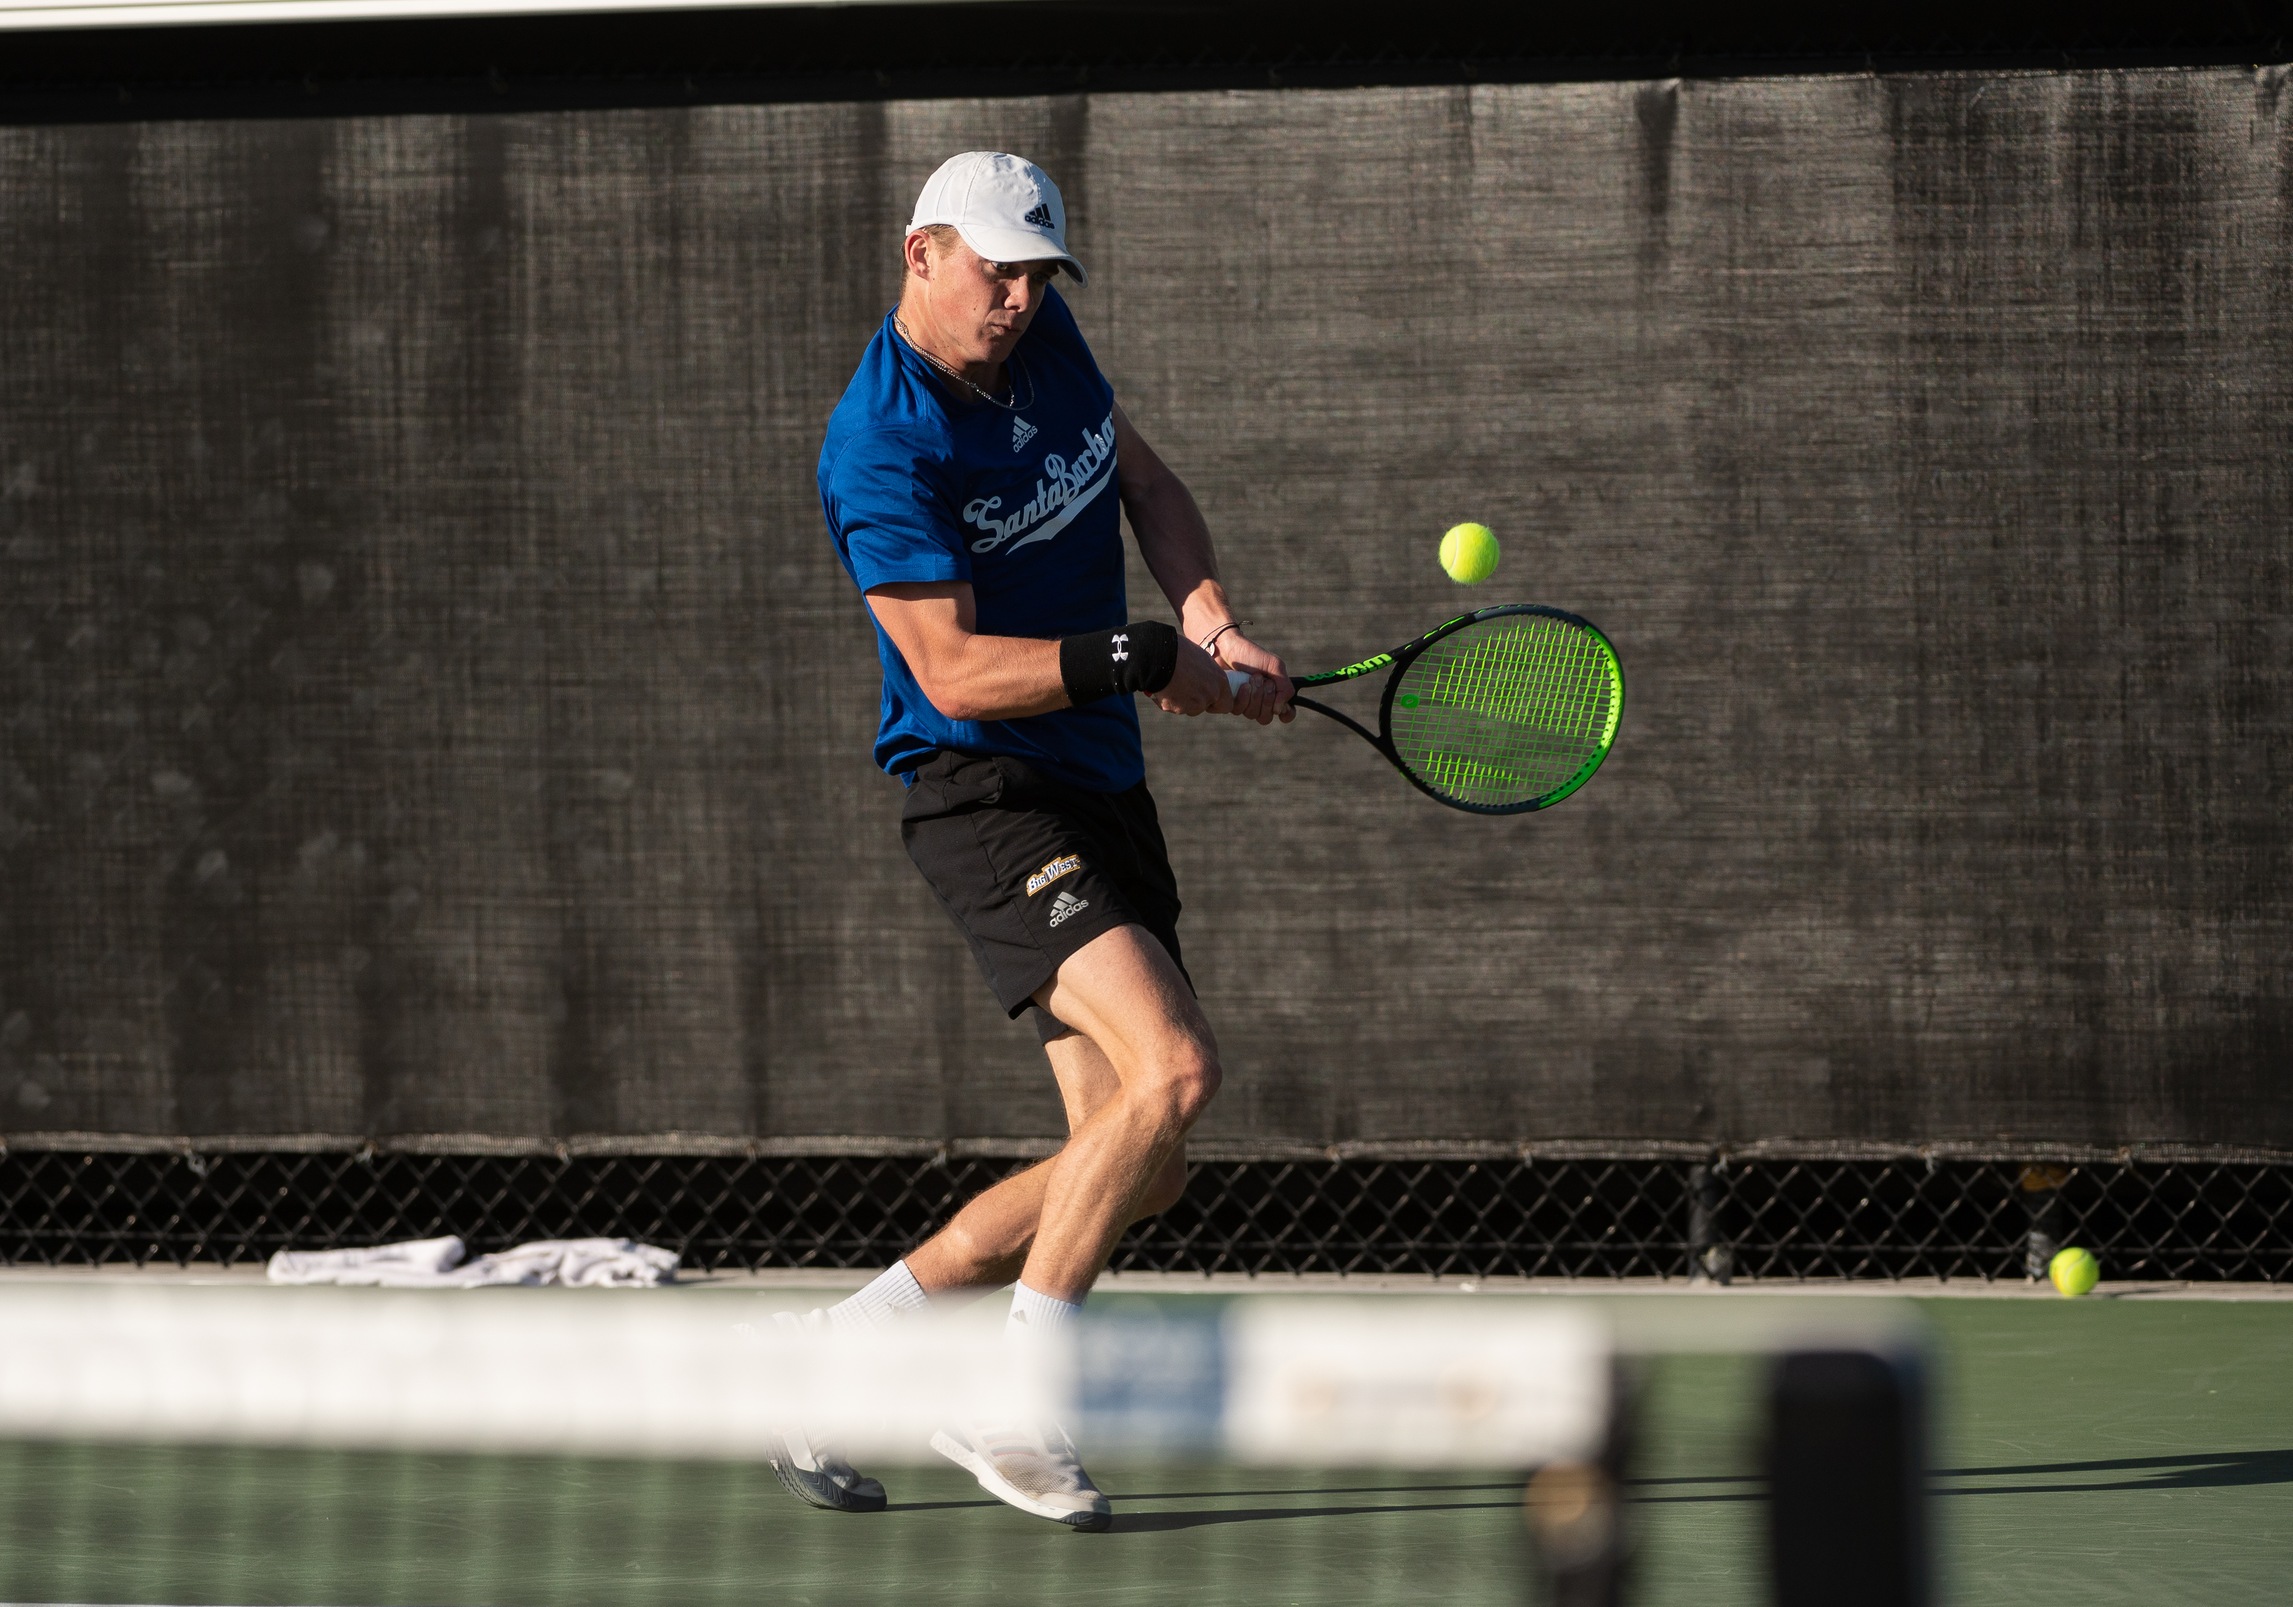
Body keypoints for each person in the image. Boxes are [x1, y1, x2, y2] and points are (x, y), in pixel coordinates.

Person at [775, 150, 1292, 1531]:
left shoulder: (1044, 340)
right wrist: (1133, 654)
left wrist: (1210, 622)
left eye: (1035, 274)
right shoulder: (878, 442)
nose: (1016, 298)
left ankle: (854, 1344)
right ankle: (1012, 1398)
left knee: (1142, 1155)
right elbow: (948, 672)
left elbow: (1145, 481)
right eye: (994, 270)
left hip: (1097, 780)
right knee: (1175, 1069)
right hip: (979, 790)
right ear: (919, 253)